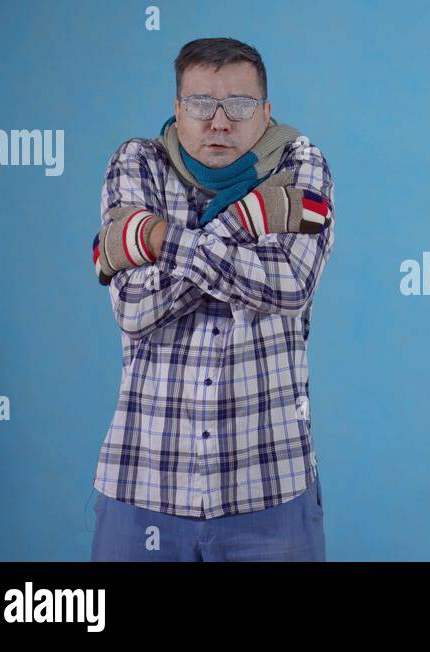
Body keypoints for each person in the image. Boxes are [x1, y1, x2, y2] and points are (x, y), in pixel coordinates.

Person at [88, 37, 335, 561]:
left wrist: (158, 238)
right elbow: (134, 308)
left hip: (269, 490)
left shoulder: (300, 163)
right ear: (178, 110)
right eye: (201, 103)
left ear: (266, 114)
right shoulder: (139, 163)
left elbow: (288, 284)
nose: (219, 121)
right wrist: (252, 218)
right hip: (143, 489)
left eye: (239, 105)